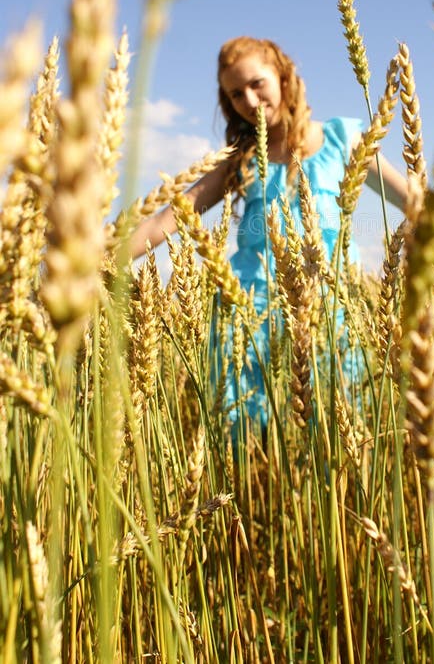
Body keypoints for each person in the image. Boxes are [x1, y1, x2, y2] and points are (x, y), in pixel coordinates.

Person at [129, 36, 407, 428]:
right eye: (236, 94)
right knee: (246, 430)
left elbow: (409, 198)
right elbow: (170, 217)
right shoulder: (238, 159)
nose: (250, 100)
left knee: (339, 425)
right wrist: (100, 254)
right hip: (250, 310)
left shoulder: (342, 140)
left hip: (332, 309)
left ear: (283, 75)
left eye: (257, 83)